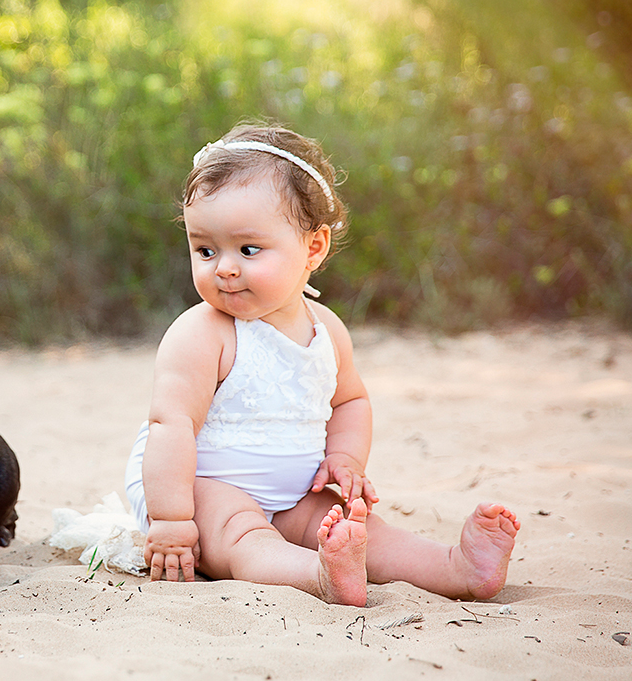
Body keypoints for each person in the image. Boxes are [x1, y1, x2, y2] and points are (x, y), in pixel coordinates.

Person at [123, 122, 519, 606]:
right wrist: (170, 522)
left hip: (295, 491)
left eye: (248, 249)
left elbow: (350, 400)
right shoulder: (202, 332)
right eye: (205, 250)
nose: (223, 267)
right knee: (242, 537)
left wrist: (346, 459)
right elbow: (171, 426)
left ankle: (457, 567)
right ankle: (319, 575)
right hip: (201, 488)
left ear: (313, 247)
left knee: (357, 526)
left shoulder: (326, 329)